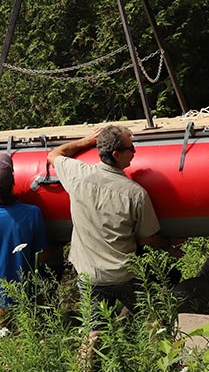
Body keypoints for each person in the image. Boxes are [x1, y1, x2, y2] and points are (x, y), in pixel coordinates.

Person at [47, 125, 182, 316]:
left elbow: (54, 154)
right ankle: (150, 338)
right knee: (154, 317)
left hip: (89, 275)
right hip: (123, 275)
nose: (134, 152)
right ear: (117, 154)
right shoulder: (135, 194)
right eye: (131, 149)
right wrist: (170, 244)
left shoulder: (77, 174)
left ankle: (108, 331)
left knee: (93, 333)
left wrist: (85, 141)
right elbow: (146, 239)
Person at [0, 152, 47, 318]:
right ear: (13, 182)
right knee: (27, 343)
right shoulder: (32, 213)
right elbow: (41, 258)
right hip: (25, 299)